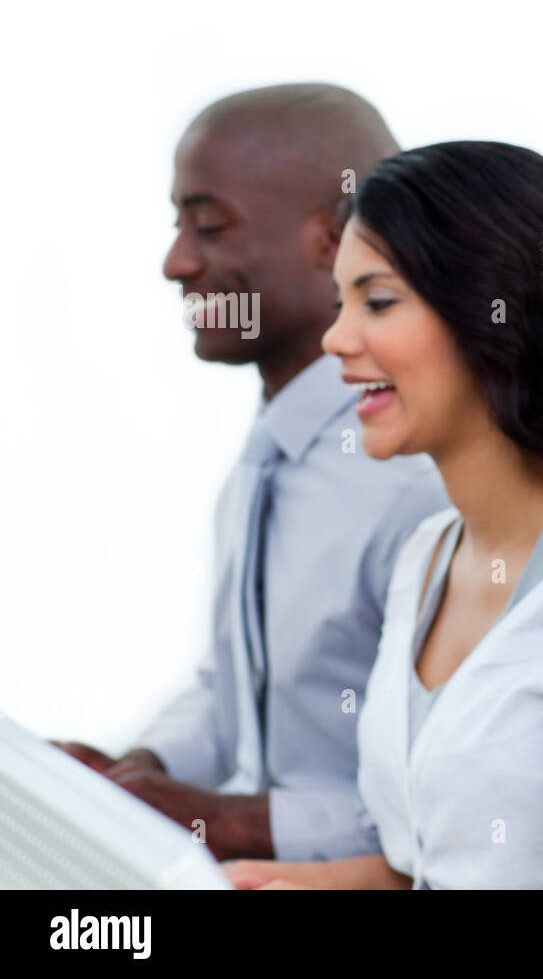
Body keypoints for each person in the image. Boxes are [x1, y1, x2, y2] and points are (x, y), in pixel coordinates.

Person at [223, 140, 543, 890]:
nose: (336, 340)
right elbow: (422, 865)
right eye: (338, 303)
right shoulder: (424, 556)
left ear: (489, 305)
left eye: (377, 301)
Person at [55, 84, 448, 862]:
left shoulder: (419, 482)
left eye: (209, 225)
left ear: (336, 238)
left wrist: (229, 819)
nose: (177, 262)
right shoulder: (268, 455)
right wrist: (141, 769)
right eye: (178, 225)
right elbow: (233, 681)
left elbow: (453, 796)